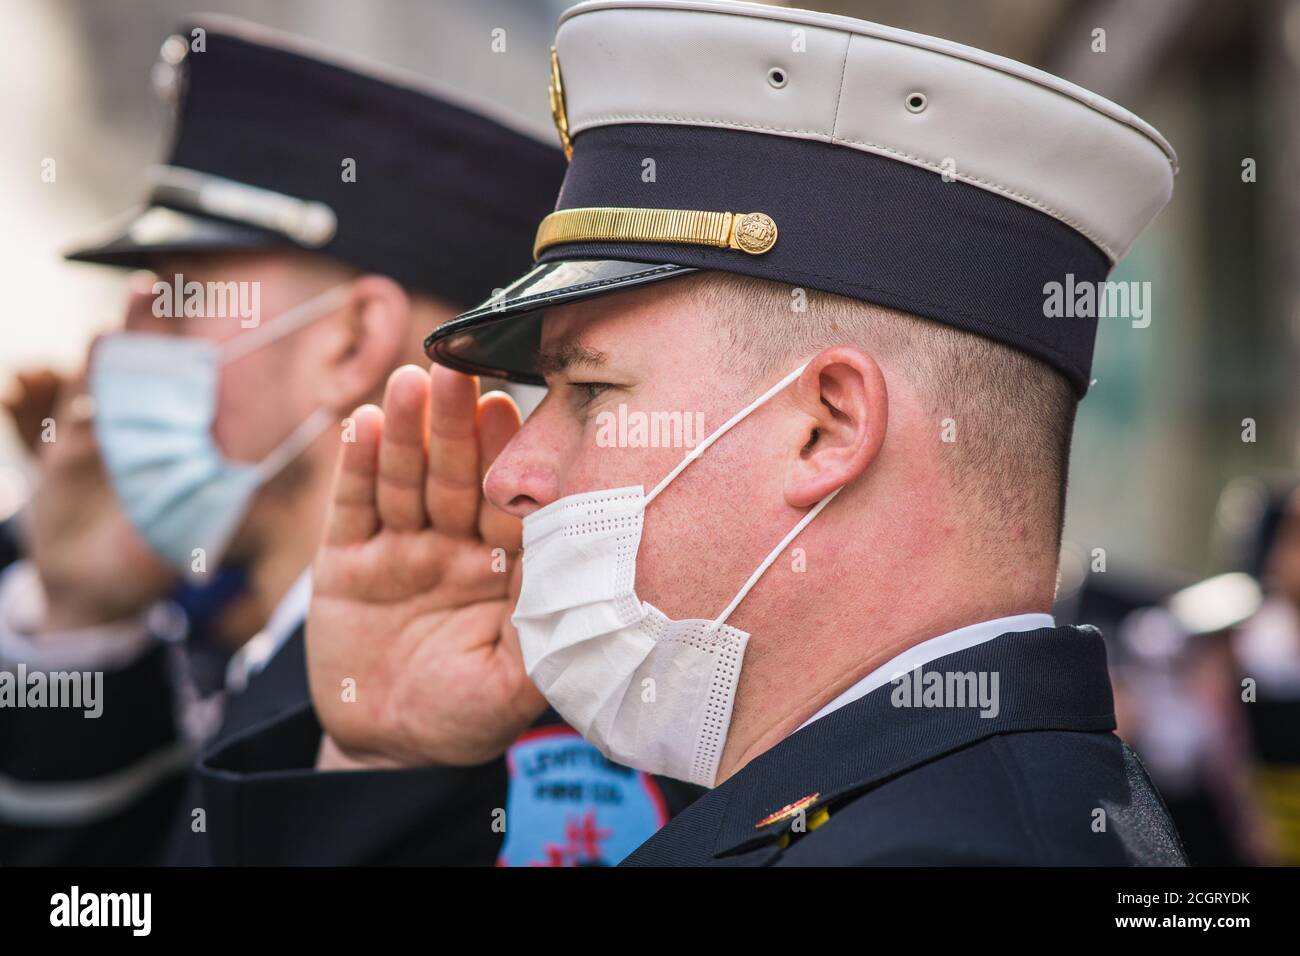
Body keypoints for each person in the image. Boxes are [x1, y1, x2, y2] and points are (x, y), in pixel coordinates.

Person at [199, 0, 1187, 865]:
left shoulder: (934, 844)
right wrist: (381, 763)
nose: (514, 470)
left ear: (824, 427)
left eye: (587, 390)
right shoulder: (925, 801)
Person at [0, 17, 698, 867]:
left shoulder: (538, 709)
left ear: (350, 342)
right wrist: (79, 619)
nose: (113, 348)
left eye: (178, 302)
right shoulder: (212, 642)